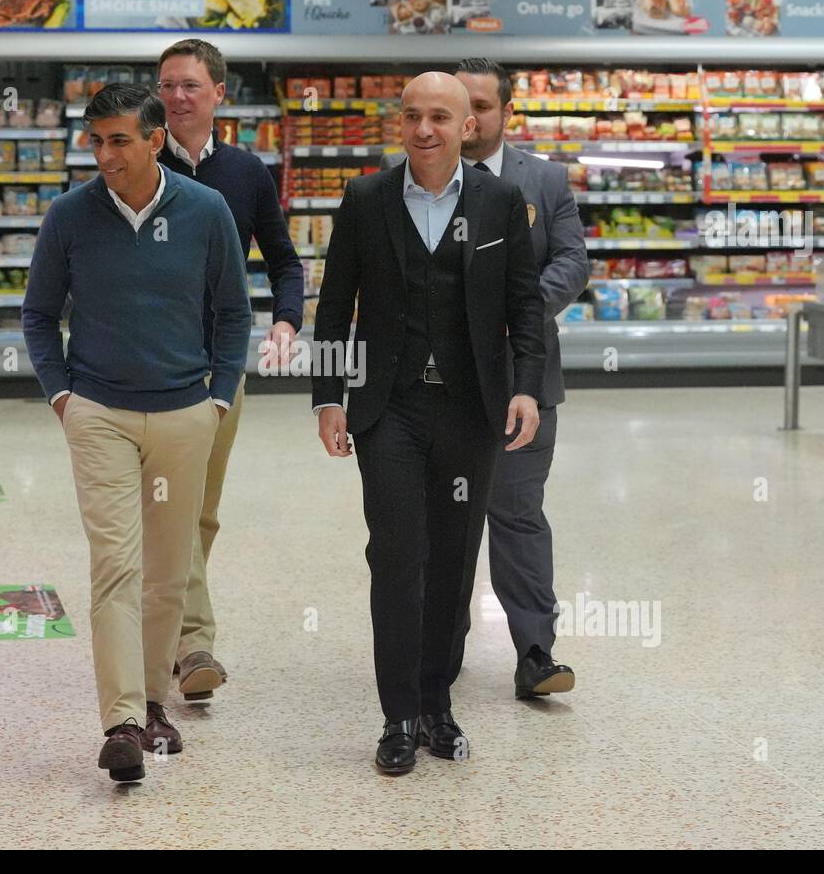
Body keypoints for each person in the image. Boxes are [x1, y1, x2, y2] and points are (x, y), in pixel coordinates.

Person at [314, 72, 547, 776]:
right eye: (412, 116)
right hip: (390, 407)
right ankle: (397, 715)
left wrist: (527, 391)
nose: (424, 130)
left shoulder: (501, 202)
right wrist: (328, 397)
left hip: (470, 408)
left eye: (440, 117)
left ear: (467, 126)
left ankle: (437, 703)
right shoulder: (365, 199)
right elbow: (335, 305)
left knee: (453, 556)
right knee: (396, 553)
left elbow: (525, 307)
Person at [22, 83, 251, 784]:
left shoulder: (206, 211)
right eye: (95, 140)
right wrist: (63, 395)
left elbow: (234, 314)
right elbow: (38, 314)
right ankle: (121, 721)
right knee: (115, 565)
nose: (105, 154)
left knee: (168, 570)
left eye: (119, 140)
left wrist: (216, 399)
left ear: (156, 141)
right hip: (100, 413)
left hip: (185, 413)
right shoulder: (69, 217)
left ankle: (155, 702)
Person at [388, 59, 588, 698]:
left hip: (521, 376)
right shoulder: (407, 182)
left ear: (505, 114)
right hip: (434, 382)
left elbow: (572, 261)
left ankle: (535, 651)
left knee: (517, 511)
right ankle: (436, 651)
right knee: (432, 518)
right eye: (456, 106)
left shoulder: (545, 180)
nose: (466, 118)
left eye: (479, 105)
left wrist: (509, 314)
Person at [156, 38, 304, 703]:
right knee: (171, 505)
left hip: (221, 364)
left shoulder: (247, 172)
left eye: (190, 85)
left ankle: (163, 626)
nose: (177, 96)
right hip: (148, 365)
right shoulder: (131, 159)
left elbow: (285, 260)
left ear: (220, 94)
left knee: (202, 512)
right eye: (166, 86)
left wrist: (285, 321)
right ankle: (192, 643)